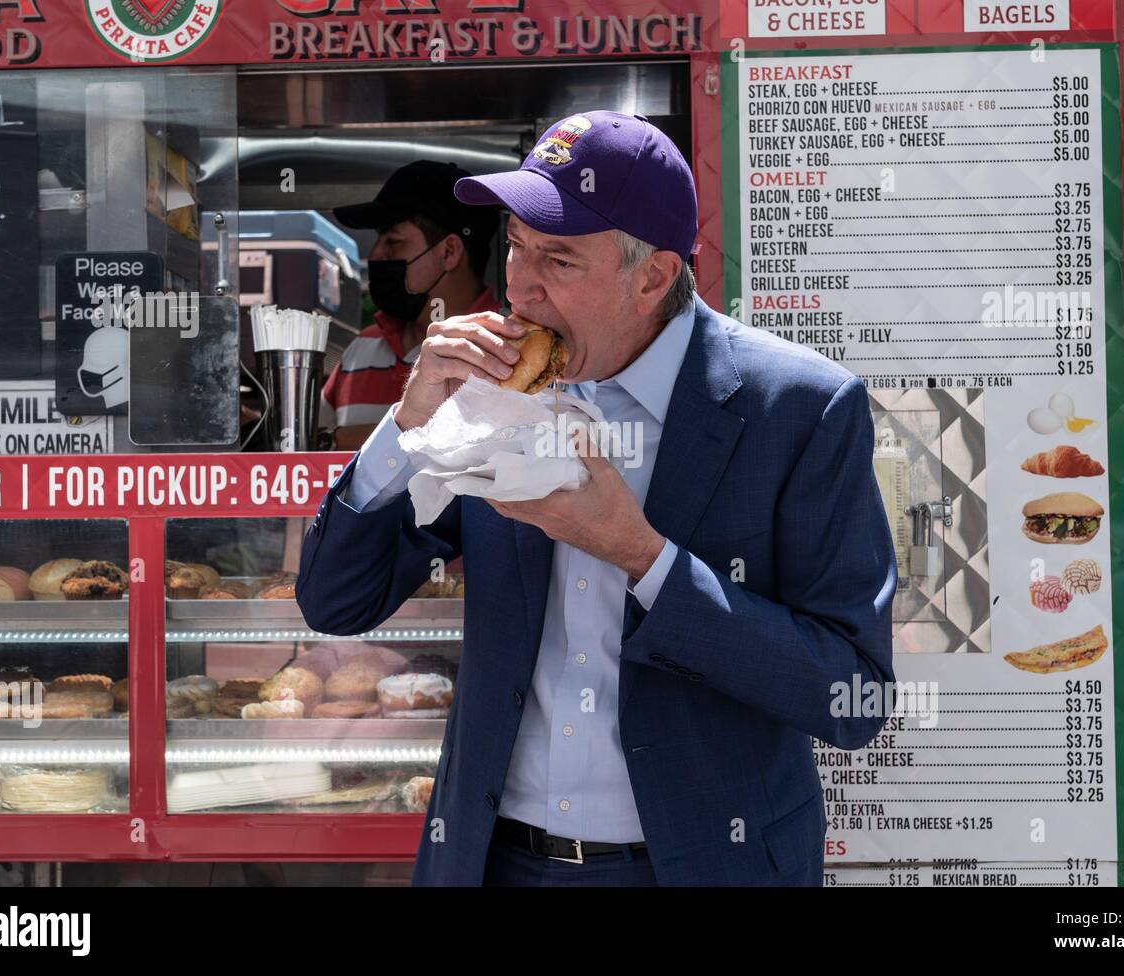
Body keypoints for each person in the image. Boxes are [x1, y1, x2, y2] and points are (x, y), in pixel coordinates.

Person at [297, 111, 897, 886]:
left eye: (559, 259)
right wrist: (407, 424)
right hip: (496, 860)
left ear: (651, 277)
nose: (520, 285)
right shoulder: (487, 398)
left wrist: (642, 557)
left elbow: (851, 698)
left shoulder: (799, 408)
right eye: (513, 244)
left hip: (704, 864)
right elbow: (334, 601)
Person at [320, 160, 500, 449]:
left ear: (449, 252)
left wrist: (341, 439)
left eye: (393, 241)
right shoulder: (362, 348)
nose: (375, 254)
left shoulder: (504, 349)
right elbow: (310, 452)